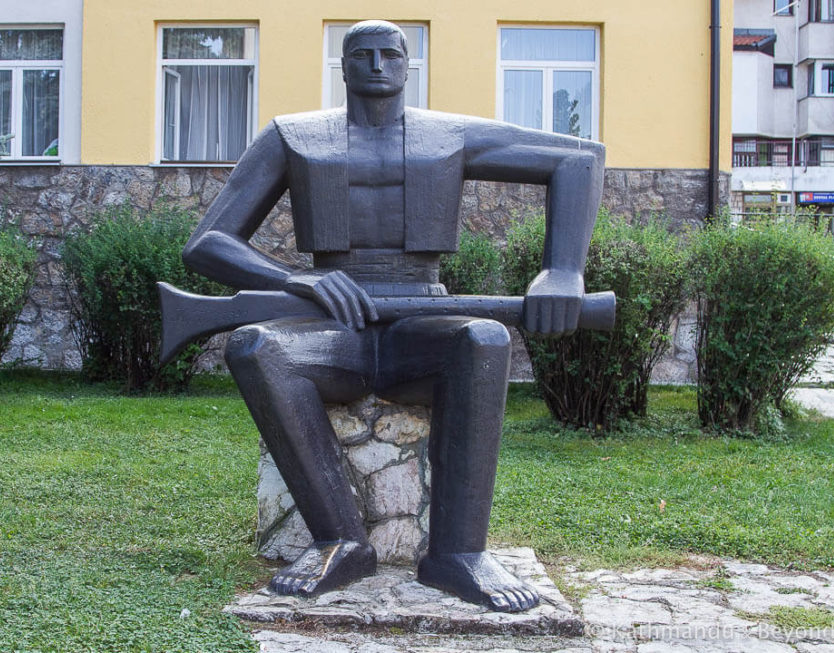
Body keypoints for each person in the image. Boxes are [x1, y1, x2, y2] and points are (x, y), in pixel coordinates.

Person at [182, 20, 604, 612]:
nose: (377, 65)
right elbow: (207, 244)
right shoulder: (293, 136)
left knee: (482, 341)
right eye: (363, 54)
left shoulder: (447, 135)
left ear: (409, 65)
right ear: (343, 65)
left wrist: (562, 271)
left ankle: (459, 554)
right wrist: (296, 277)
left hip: (419, 323)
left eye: (390, 54)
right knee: (257, 347)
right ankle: (340, 541)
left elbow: (578, 159)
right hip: (333, 326)